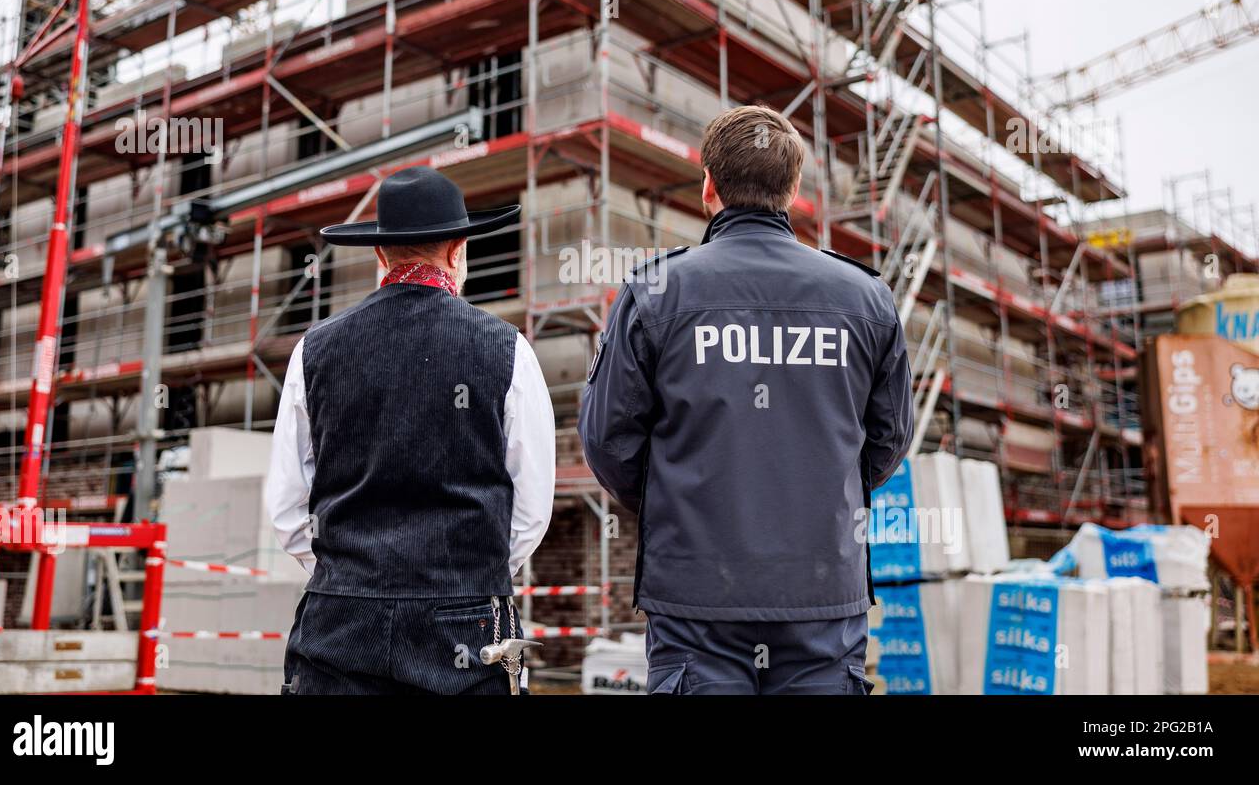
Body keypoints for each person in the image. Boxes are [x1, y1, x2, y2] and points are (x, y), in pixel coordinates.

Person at [579, 104, 914, 695]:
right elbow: (886, 443)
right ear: (794, 188)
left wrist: (681, 500)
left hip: (697, 595)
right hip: (822, 594)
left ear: (708, 185)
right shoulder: (865, 298)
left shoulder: (655, 291)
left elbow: (610, 441)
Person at [267, 166, 555, 694]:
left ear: (381, 255)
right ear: (458, 250)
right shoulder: (509, 350)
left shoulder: (313, 350)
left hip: (340, 621)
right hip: (467, 627)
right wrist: (467, 575)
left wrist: (355, 574)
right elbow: (531, 513)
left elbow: (287, 512)